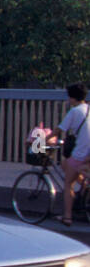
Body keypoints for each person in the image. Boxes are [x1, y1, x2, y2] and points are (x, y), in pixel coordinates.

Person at [55, 82, 90, 227]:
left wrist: (43, 140)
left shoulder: (74, 111)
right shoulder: (88, 108)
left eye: (69, 97)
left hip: (81, 153)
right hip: (88, 153)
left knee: (68, 183)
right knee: (67, 165)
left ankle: (67, 217)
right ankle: (85, 187)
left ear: (73, 98)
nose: (68, 100)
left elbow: (59, 130)